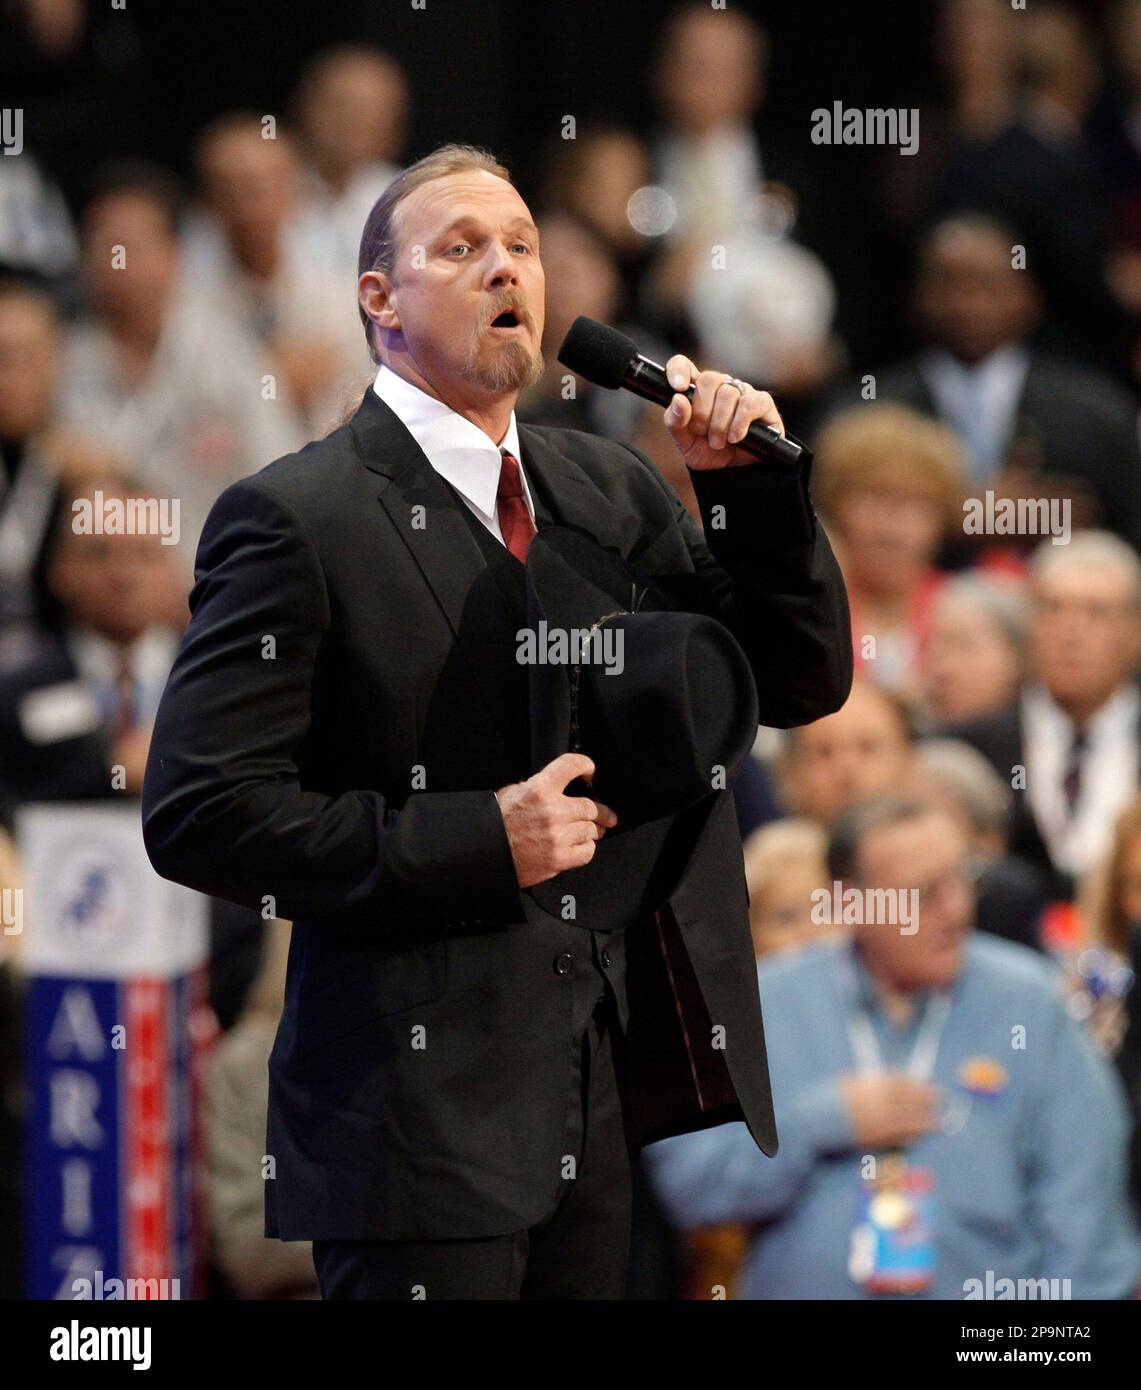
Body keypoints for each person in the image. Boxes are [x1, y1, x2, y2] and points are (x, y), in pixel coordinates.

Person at [140, 142, 852, 1301]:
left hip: (597, 1090)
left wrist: (747, 494)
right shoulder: (294, 517)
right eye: (461, 248)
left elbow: (787, 685)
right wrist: (483, 839)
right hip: (409, 1115)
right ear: (379, 298)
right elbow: (201, 812)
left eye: (520, 245)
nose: (505, 268)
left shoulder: (608, 490)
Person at [645, 796, 1141, 1299]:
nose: (957, 909)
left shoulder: (1031, 1007)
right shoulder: (765, 1009)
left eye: (962, 878)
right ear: (851, 904)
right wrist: (814, 1126)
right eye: (924, 893)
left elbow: (1088, 1231)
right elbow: (689, 1186)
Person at [949, 531, 1141, 896]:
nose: (1072, 631)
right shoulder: (971, 747)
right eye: (1053, 608)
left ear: (1134, 632)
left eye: (1096, 612)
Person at [812, 403, 964, 701]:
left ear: (941, 516)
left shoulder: (965, 609)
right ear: (837, 507)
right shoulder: (812, 609)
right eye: (874, 498)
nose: (890, 528)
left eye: (912, 502)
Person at [778, 676, 915, 828]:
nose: (847, 770)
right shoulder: (775, 849)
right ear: (793, 771)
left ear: (906, 757)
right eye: (825, 752)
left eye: (867, 748)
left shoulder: (939, 844)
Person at [920, 571, 1028, 728]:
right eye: (938, 651)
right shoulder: (916, 740)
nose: (943, 670)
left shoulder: (1042, 742)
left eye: (964, 646)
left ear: (1017, 656)